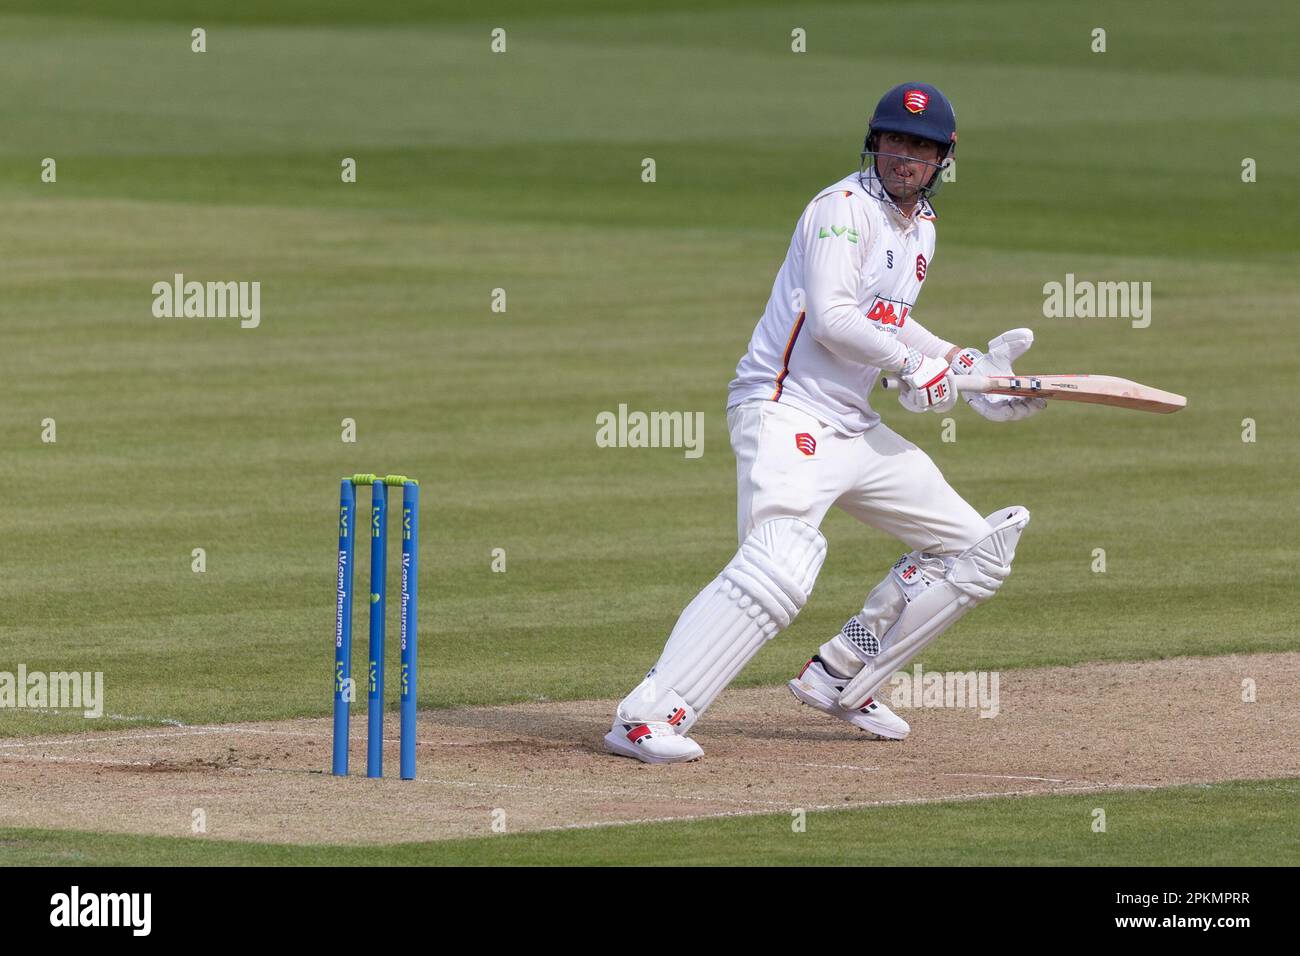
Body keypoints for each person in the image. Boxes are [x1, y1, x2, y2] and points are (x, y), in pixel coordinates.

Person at [604, 82, 1045, 763]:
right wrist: (912, 369)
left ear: (942, 159)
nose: (905, 156)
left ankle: (842, 672)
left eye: (921, 147)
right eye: (896, 140)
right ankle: (644, 719)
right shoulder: (840, 211)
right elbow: (836, 316)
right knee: (781, 561)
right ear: (876, 142)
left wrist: (970, 370)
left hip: (851, 424)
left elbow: (890, 320)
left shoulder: (922, 226)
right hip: (784, 412)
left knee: (970, 551)